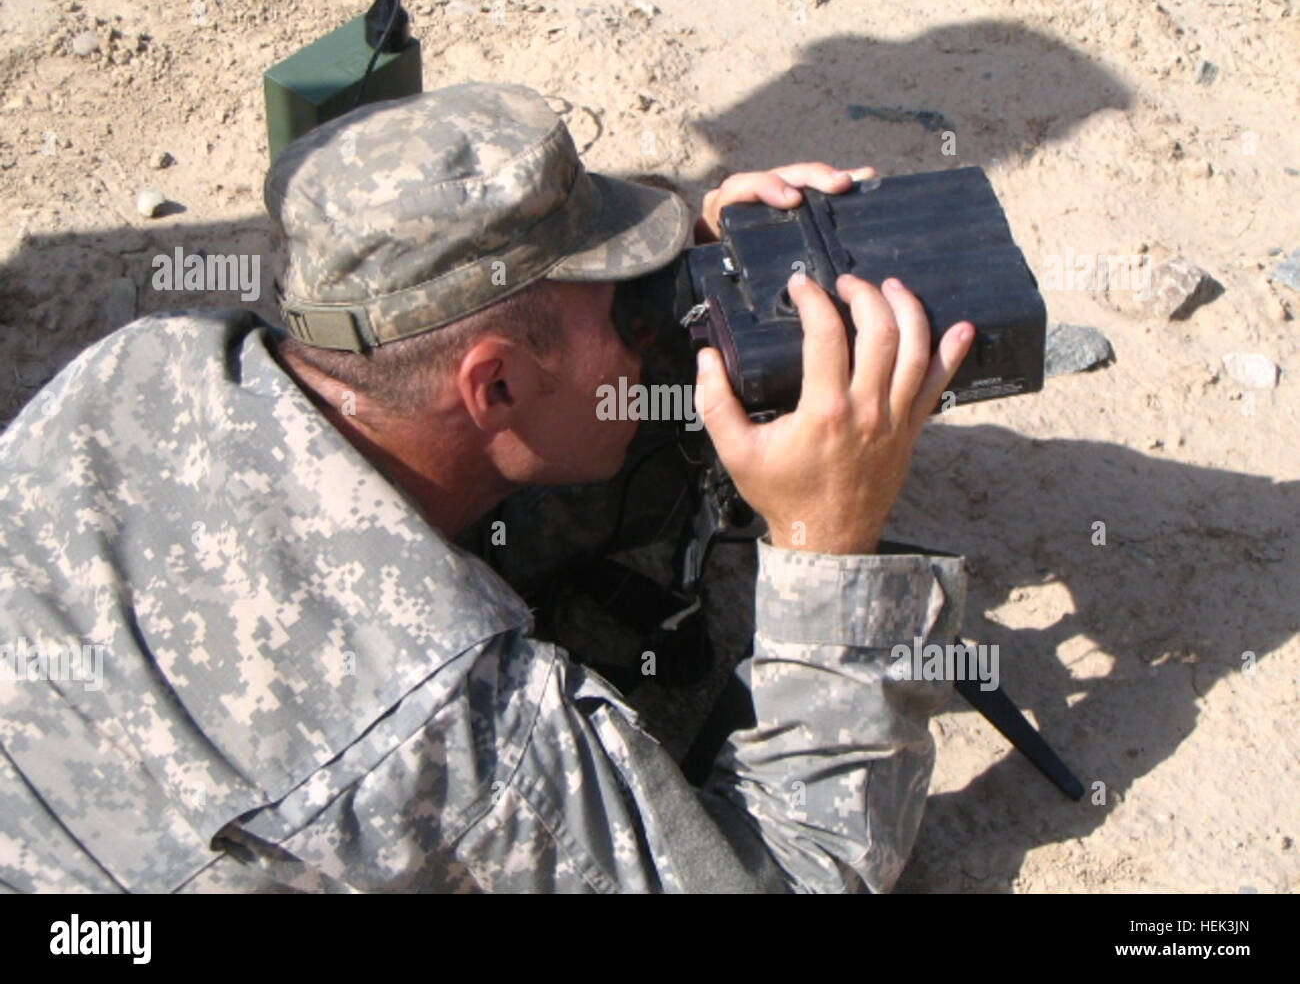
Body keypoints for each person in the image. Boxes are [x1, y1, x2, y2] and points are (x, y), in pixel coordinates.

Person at [0, 81, 974, 893]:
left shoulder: (150, 366)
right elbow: (800, 874)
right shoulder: (450, 738)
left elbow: (500, 400)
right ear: (495, 381)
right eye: (622, 307)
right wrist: (823, 543)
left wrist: (709, 283)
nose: (647, 319)